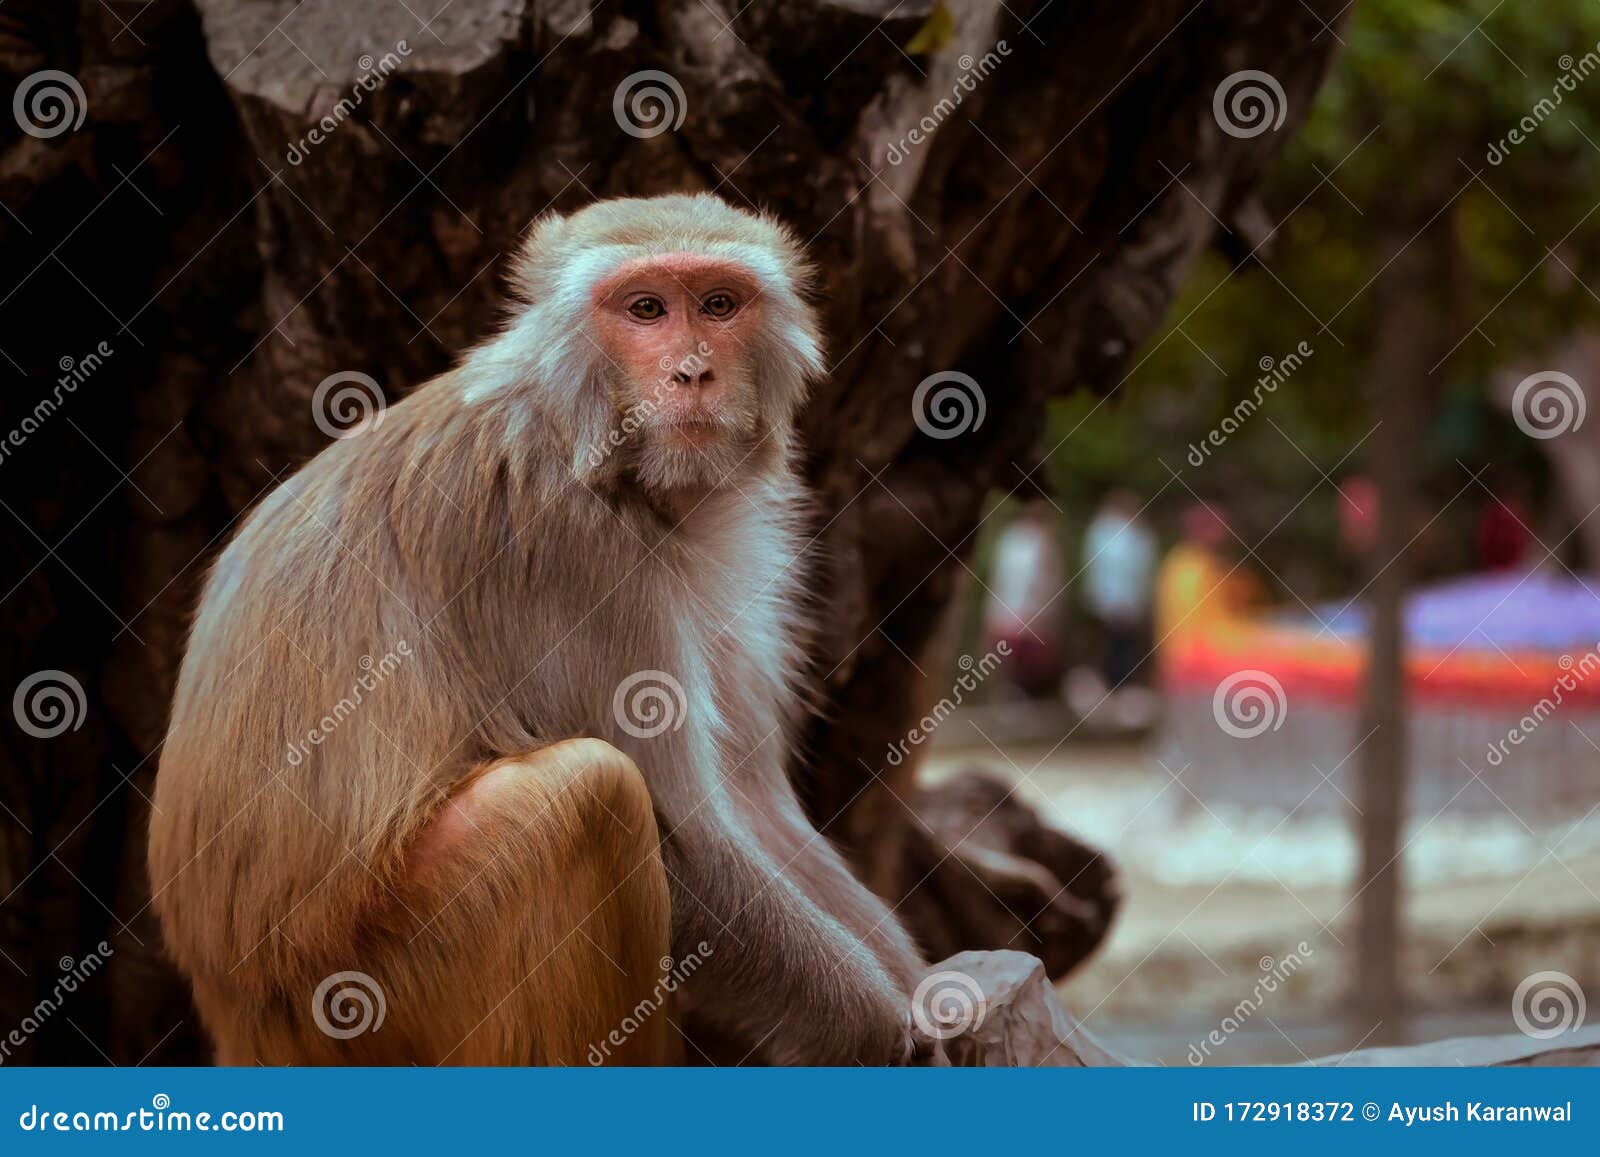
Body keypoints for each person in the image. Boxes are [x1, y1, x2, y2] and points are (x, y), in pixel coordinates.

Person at [1081, 490, 1157, 692]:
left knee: (1120, 646)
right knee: (1117, 646)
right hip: (1117, 601)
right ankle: (1115, 686)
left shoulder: (1106, 532)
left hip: (1116, 601)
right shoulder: (1115, 533)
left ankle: (1118, 686)